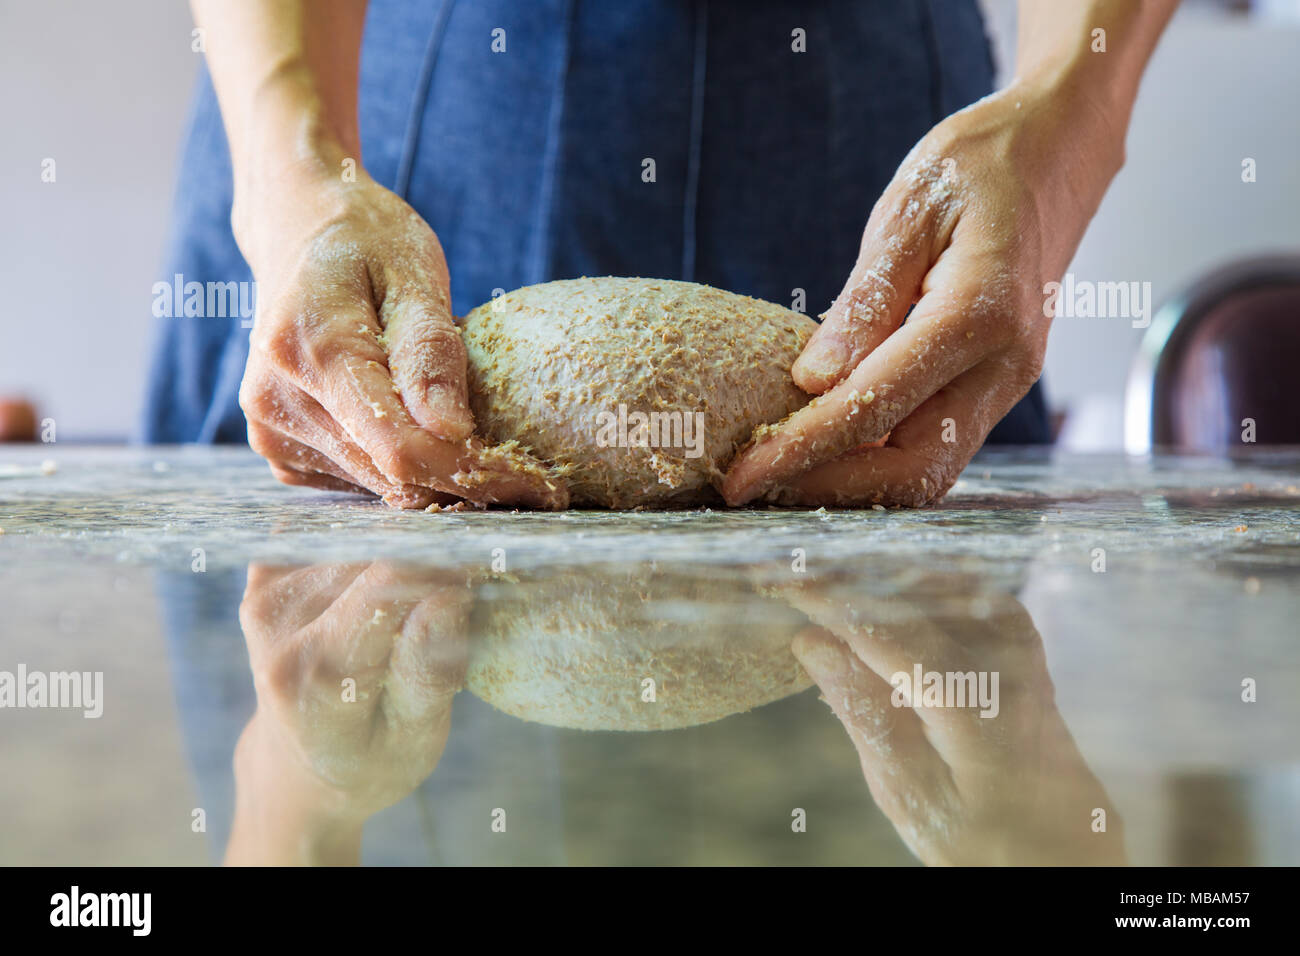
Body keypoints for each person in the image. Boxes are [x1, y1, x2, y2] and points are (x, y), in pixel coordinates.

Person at [143, 0, 1177, 508]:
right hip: (402, 89)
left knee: (880, 675)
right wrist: (297, 170)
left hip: (854, 102)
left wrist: (1065, 113)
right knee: (363, 663)